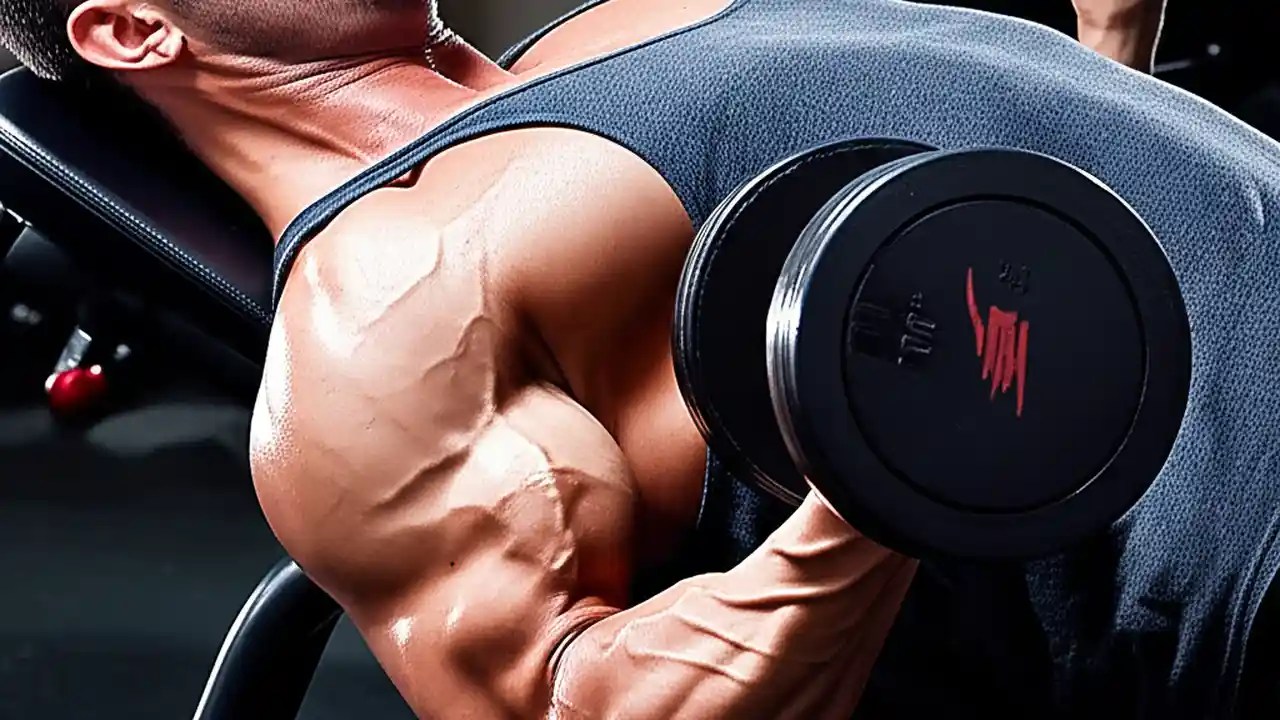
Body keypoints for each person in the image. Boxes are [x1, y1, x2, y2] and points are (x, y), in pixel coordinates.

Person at [2, 0, 1275, 718]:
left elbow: (1028, 187)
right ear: (133, 31)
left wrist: (1106, 56)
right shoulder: (379, 307)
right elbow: (592, 706)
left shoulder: (604, 29)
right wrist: (890, 459)